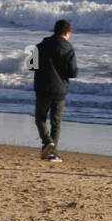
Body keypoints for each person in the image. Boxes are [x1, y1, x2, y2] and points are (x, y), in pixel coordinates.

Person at [33, 19, 77, 161]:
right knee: (56, 122)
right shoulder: (68, 48)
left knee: (40, 119)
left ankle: (47, 142)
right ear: (67, 32)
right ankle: (52, 152)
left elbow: (31, 65)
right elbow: (73, 72)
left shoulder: (40, 46)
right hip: (59, 89)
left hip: (42, 87)